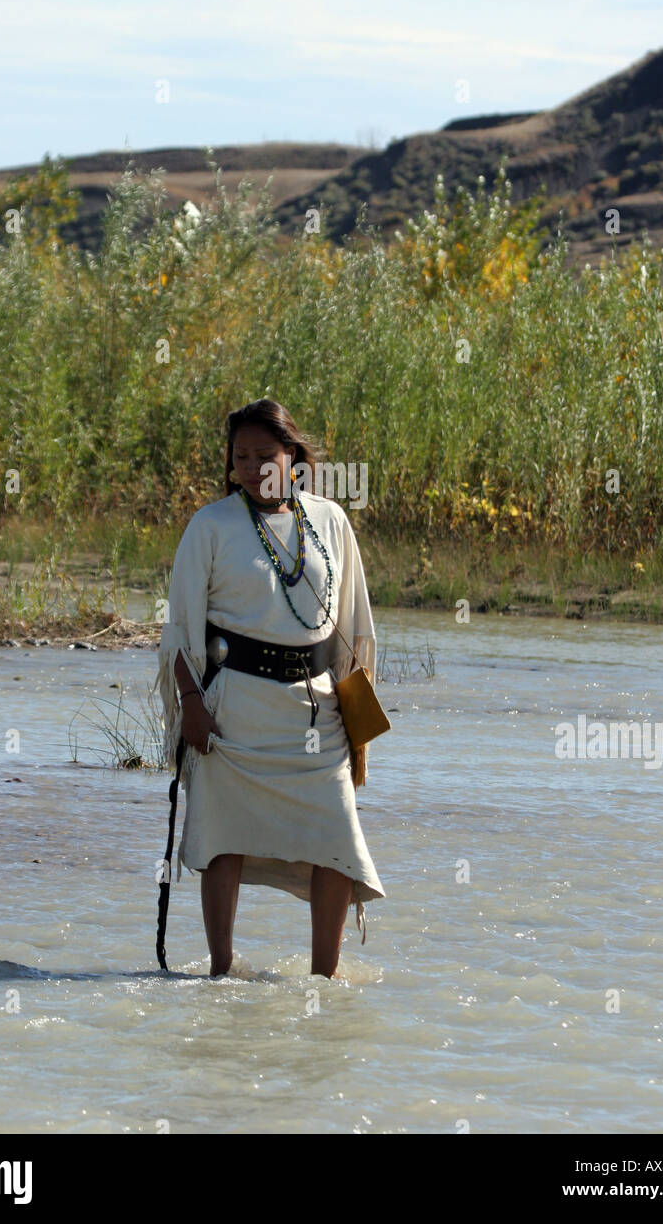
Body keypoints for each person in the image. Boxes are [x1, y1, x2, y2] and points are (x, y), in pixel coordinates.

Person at [156, 398, 385, 979]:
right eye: (242, 457)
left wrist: (357, 717)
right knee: (222, 840)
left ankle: (324, 979)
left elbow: (354, 623)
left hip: (317, 711)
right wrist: (191, 709)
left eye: (267, 455)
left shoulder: (330, 520)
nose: (255, 467)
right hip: (232, 712)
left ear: (292, 456)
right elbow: (180, 630)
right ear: (230, 465)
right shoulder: (211, 526)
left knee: (335, 836)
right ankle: (221, 971)